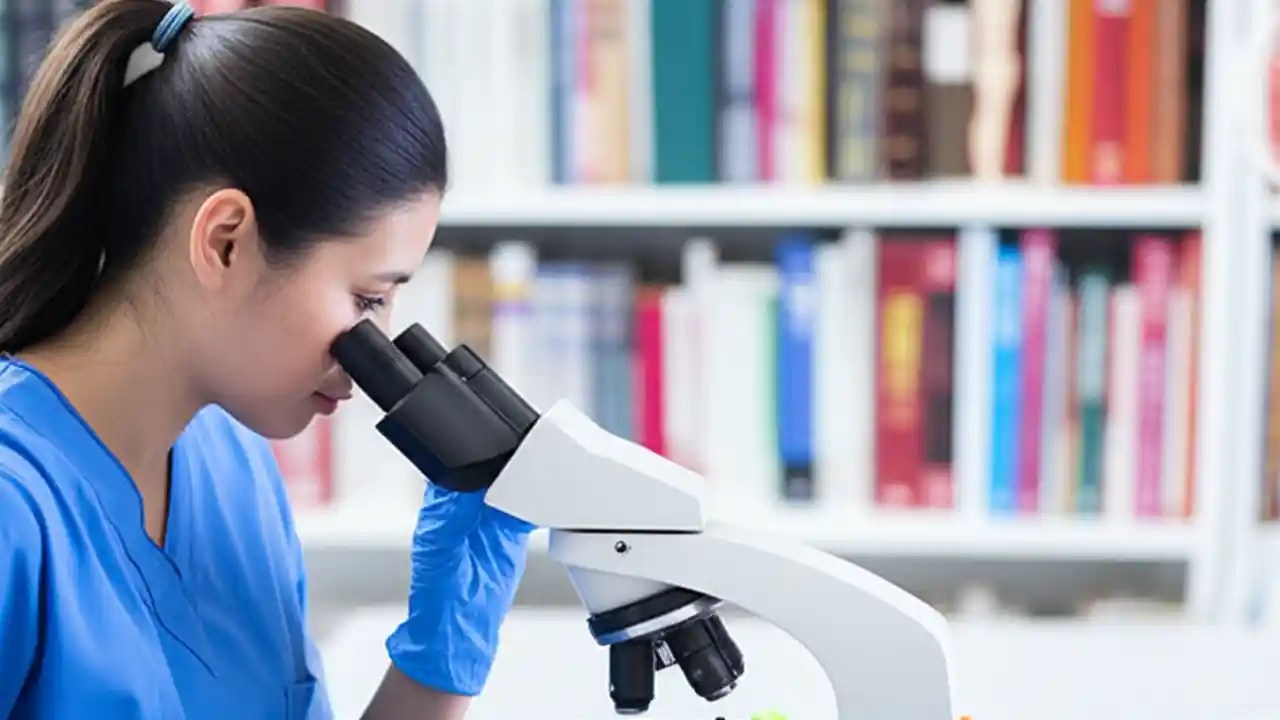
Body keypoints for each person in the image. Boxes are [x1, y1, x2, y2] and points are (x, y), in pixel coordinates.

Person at [0, 1, 536, 718]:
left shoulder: (232, 469)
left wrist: (442, 660)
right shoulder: (15, 507)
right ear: (225, 241)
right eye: (368, 299)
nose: (368, 356)